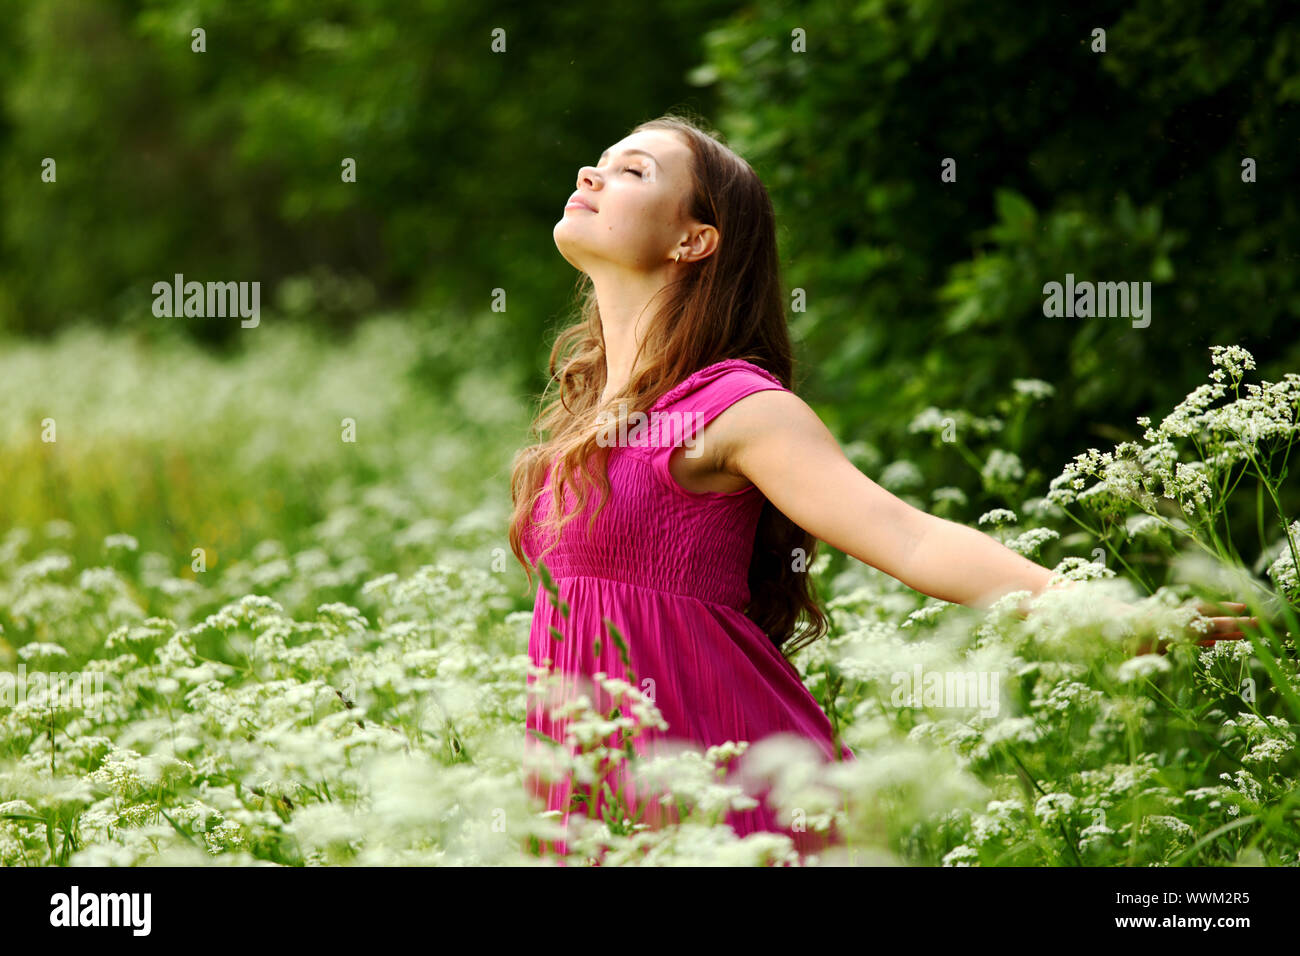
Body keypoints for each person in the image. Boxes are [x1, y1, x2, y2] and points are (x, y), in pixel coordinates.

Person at [507, 113, 1254, 864]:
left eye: (633, 171)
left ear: (694, 239)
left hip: (728, 802)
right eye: (598, 163)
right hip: (594, 803)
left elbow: (910, 536)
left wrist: (1102, 615)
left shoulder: (736, 406)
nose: (590, 176)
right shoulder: (584, 416)